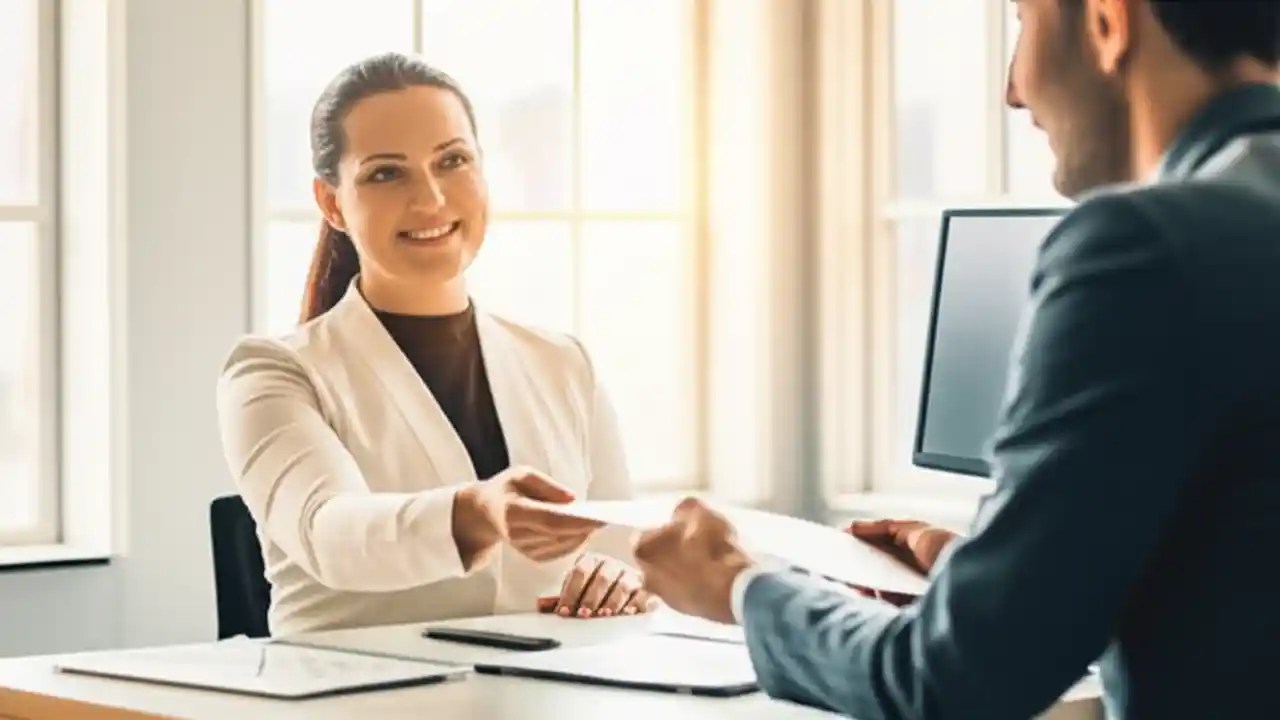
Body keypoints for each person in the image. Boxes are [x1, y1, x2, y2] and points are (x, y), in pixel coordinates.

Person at [631, 1, 1280, 718]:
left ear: (1106, 22)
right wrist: (988, 569)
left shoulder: (1144, 247)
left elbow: (954, 681)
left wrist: (740, 585)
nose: (1013, 88)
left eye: (1024, 24)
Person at [216, 52, 655, 637]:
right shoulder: (271, 372)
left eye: (452, 161)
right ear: (331, 203)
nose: (431, 199)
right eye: (386, 173)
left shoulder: (564, 363)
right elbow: (330, 532)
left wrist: (620, 579)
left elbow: (625, 546)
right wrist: (476, 515)